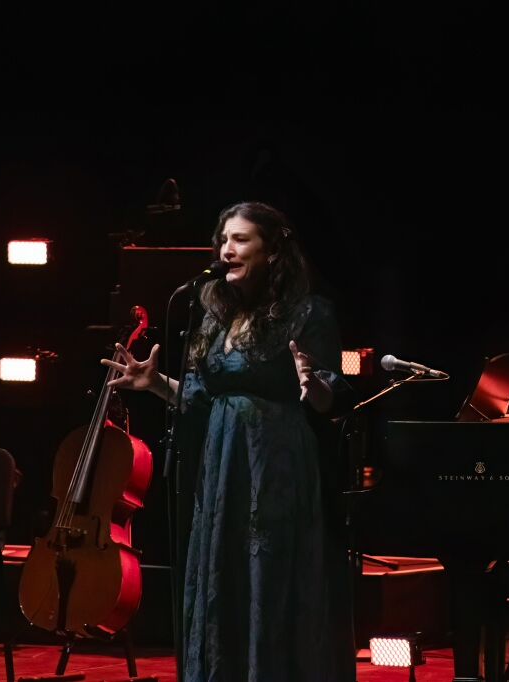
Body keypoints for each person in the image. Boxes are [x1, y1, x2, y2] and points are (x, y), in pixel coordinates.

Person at [103, 202, 355, 680]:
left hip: (274, 465)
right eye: (223, 240)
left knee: (269, 580)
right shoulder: (214, 313)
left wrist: (316, 387)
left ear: (274, 250)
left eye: (240, 239)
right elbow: (199, 398)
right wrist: (156, 385)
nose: (227, 249)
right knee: (225, 581)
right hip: (220, 470)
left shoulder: (308, 313)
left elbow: (328, 397)